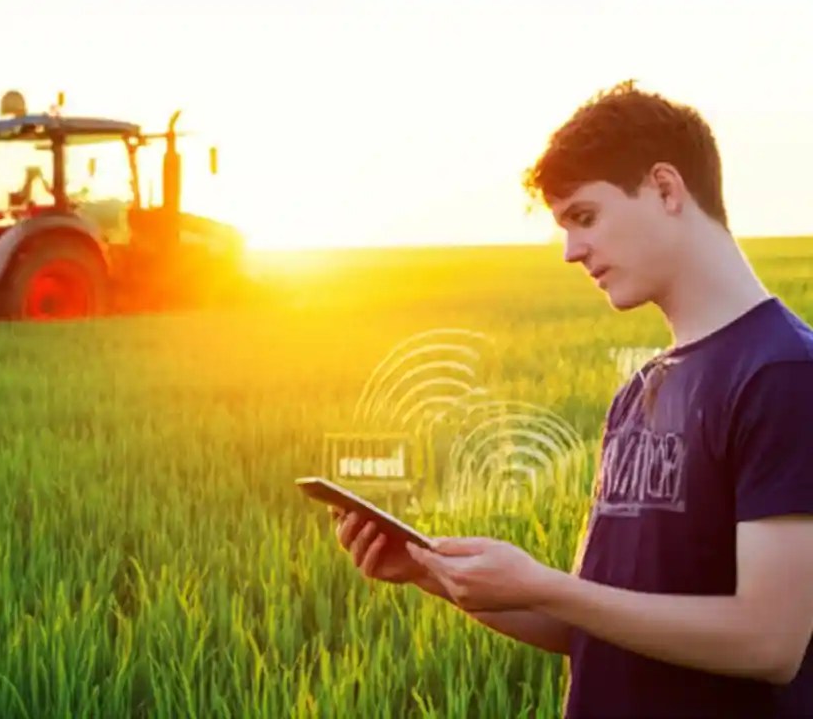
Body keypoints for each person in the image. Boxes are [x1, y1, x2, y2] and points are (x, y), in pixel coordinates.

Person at [333, 80, 813, 718]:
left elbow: (769, 642)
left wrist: (545, 585)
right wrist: (432, 572)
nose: (570, 251)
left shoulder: (782, 373)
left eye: (584, 217)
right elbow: (589, 626)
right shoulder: (638, 392)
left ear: (666, 189)